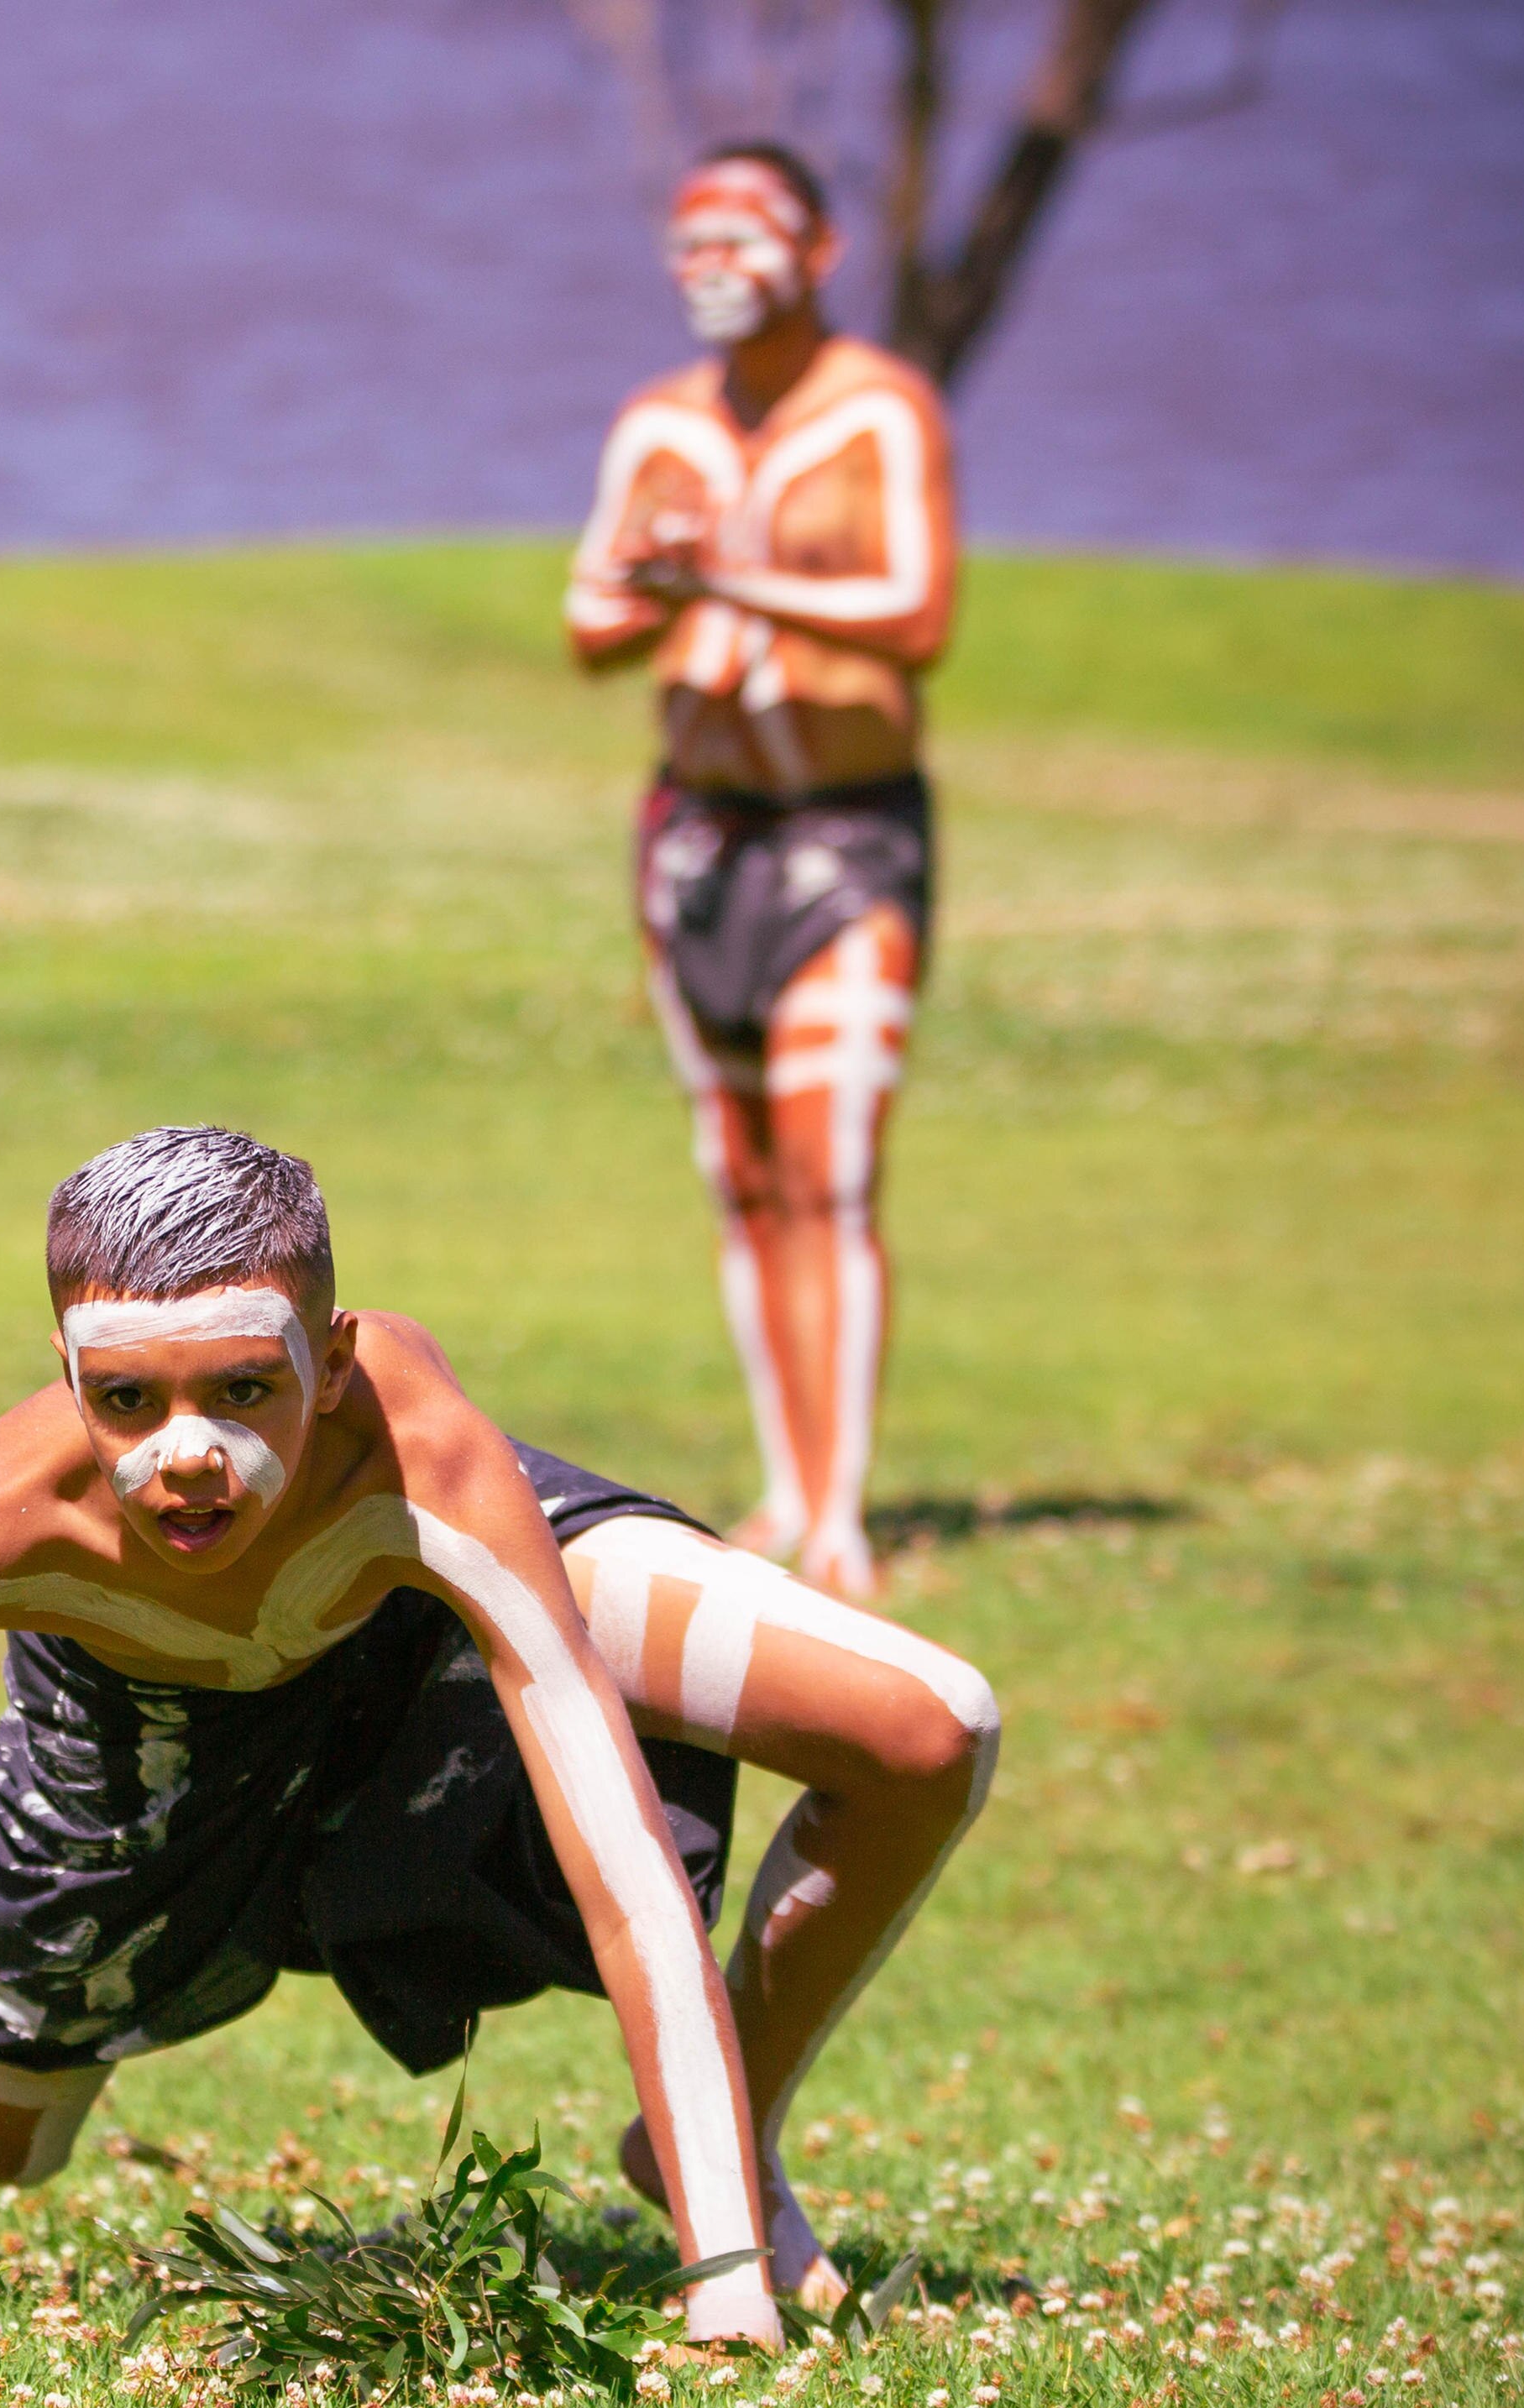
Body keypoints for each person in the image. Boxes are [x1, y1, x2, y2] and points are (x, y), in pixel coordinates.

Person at [0, 1126, 1000, 2336]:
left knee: (924, 1724)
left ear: (330, 1360)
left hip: (405, 1612)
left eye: (245, 1389)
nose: (183, 1457)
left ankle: (705, 2154)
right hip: (141, 1720)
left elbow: (615, 1851)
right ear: (66, 1372)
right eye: (123, 1399)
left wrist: (721, 2265)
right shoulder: (4, 1515)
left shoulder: (419, 1452)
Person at [567, 144, 958, 1604]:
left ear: (820, 249)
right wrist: (651, 580)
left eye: (746, 234)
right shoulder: (655, 425)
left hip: (846, 836)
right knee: (738, 1172)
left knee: (833, 1169)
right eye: (690, 241)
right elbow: (589, 620)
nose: (715, 263)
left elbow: (917, 613)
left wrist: (724, 572)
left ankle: (844, 1505)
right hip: (696, 835)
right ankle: (785, 1489)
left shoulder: (881, 414)